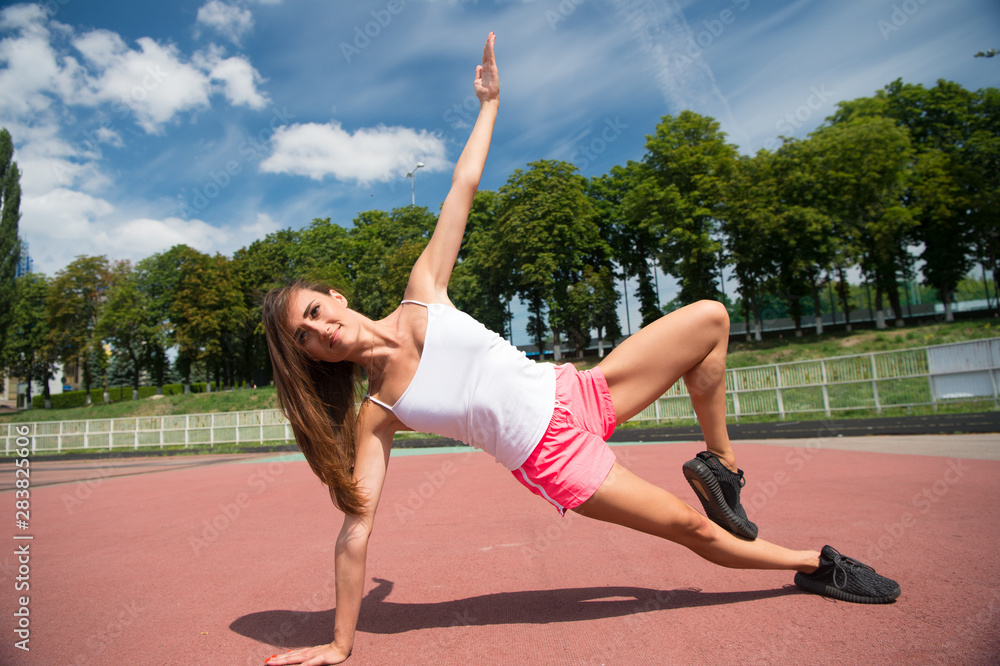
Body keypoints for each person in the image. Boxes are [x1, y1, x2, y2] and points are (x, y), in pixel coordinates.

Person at [261, 33, 900, 666]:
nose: (320, 332)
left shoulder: (423, 291)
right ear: (312, 358)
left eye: (315, 313)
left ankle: (721, 468)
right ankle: (815, 563)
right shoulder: (379, 412)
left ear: (337, 298)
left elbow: (464, 183)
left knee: (709, 318)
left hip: (578, 390)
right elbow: (356, 529)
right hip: (552, 456)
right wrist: (340, 642)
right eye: (305, 339)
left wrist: (488, 106)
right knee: (691, 529)